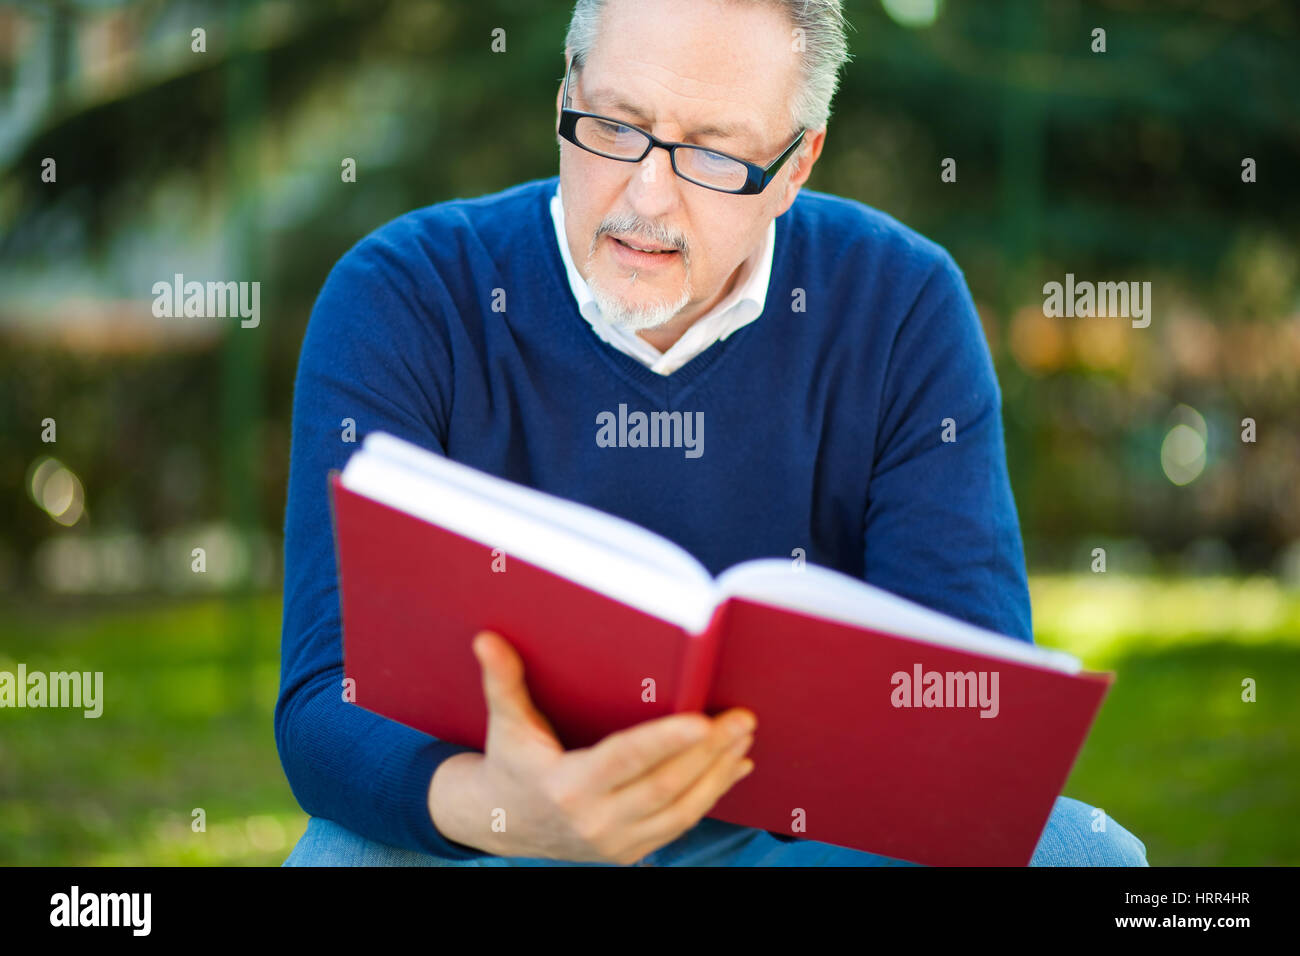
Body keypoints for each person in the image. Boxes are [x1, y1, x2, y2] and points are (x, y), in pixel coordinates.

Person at [277, 0, 1148, 867]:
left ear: (796, 165)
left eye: (714, 153)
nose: (647, 194)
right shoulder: (405, 293)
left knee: (1081, 852)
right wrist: (502, 809)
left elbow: (974, 703)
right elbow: (324, 698)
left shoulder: (901, 303)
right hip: (495, 822)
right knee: (344, 860)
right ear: (563, 99)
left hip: (798, 840)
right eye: (615, 127)